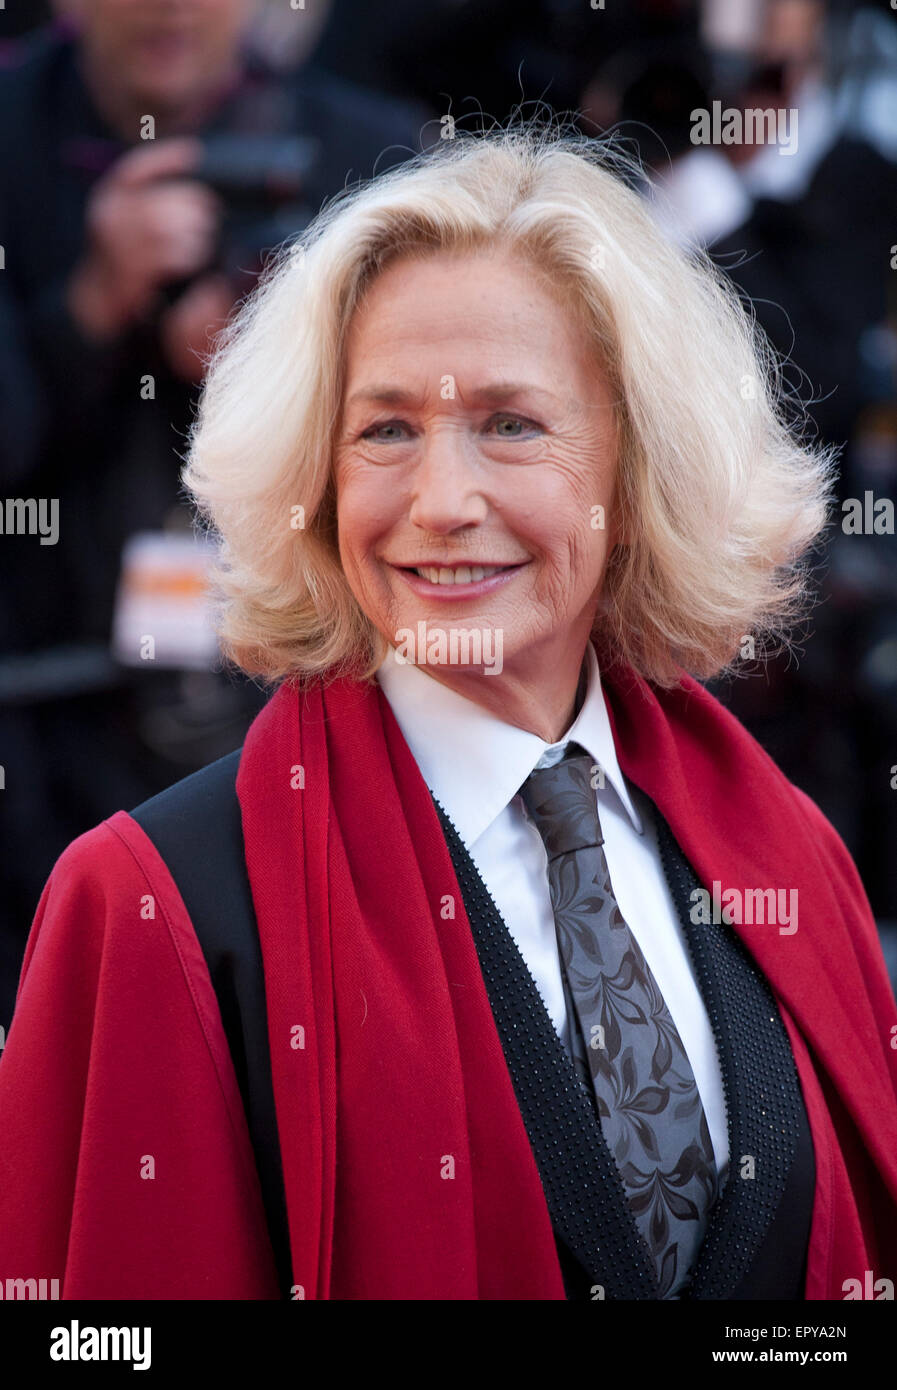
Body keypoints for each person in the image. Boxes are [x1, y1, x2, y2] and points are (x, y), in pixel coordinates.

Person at [1, 125, 895, 1301]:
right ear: (314, 483)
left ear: (636, 475)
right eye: (385, 431)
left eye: (511, 424)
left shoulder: (791, 855)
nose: (442, 499)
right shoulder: (147, 906)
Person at [0, 0, 432, 1022]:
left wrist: (283, 373)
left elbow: (435, 463)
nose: (169, 7)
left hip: (307, 743)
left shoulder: (369, 154)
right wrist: (91, 305)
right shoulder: (14, 142)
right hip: (32, 733)